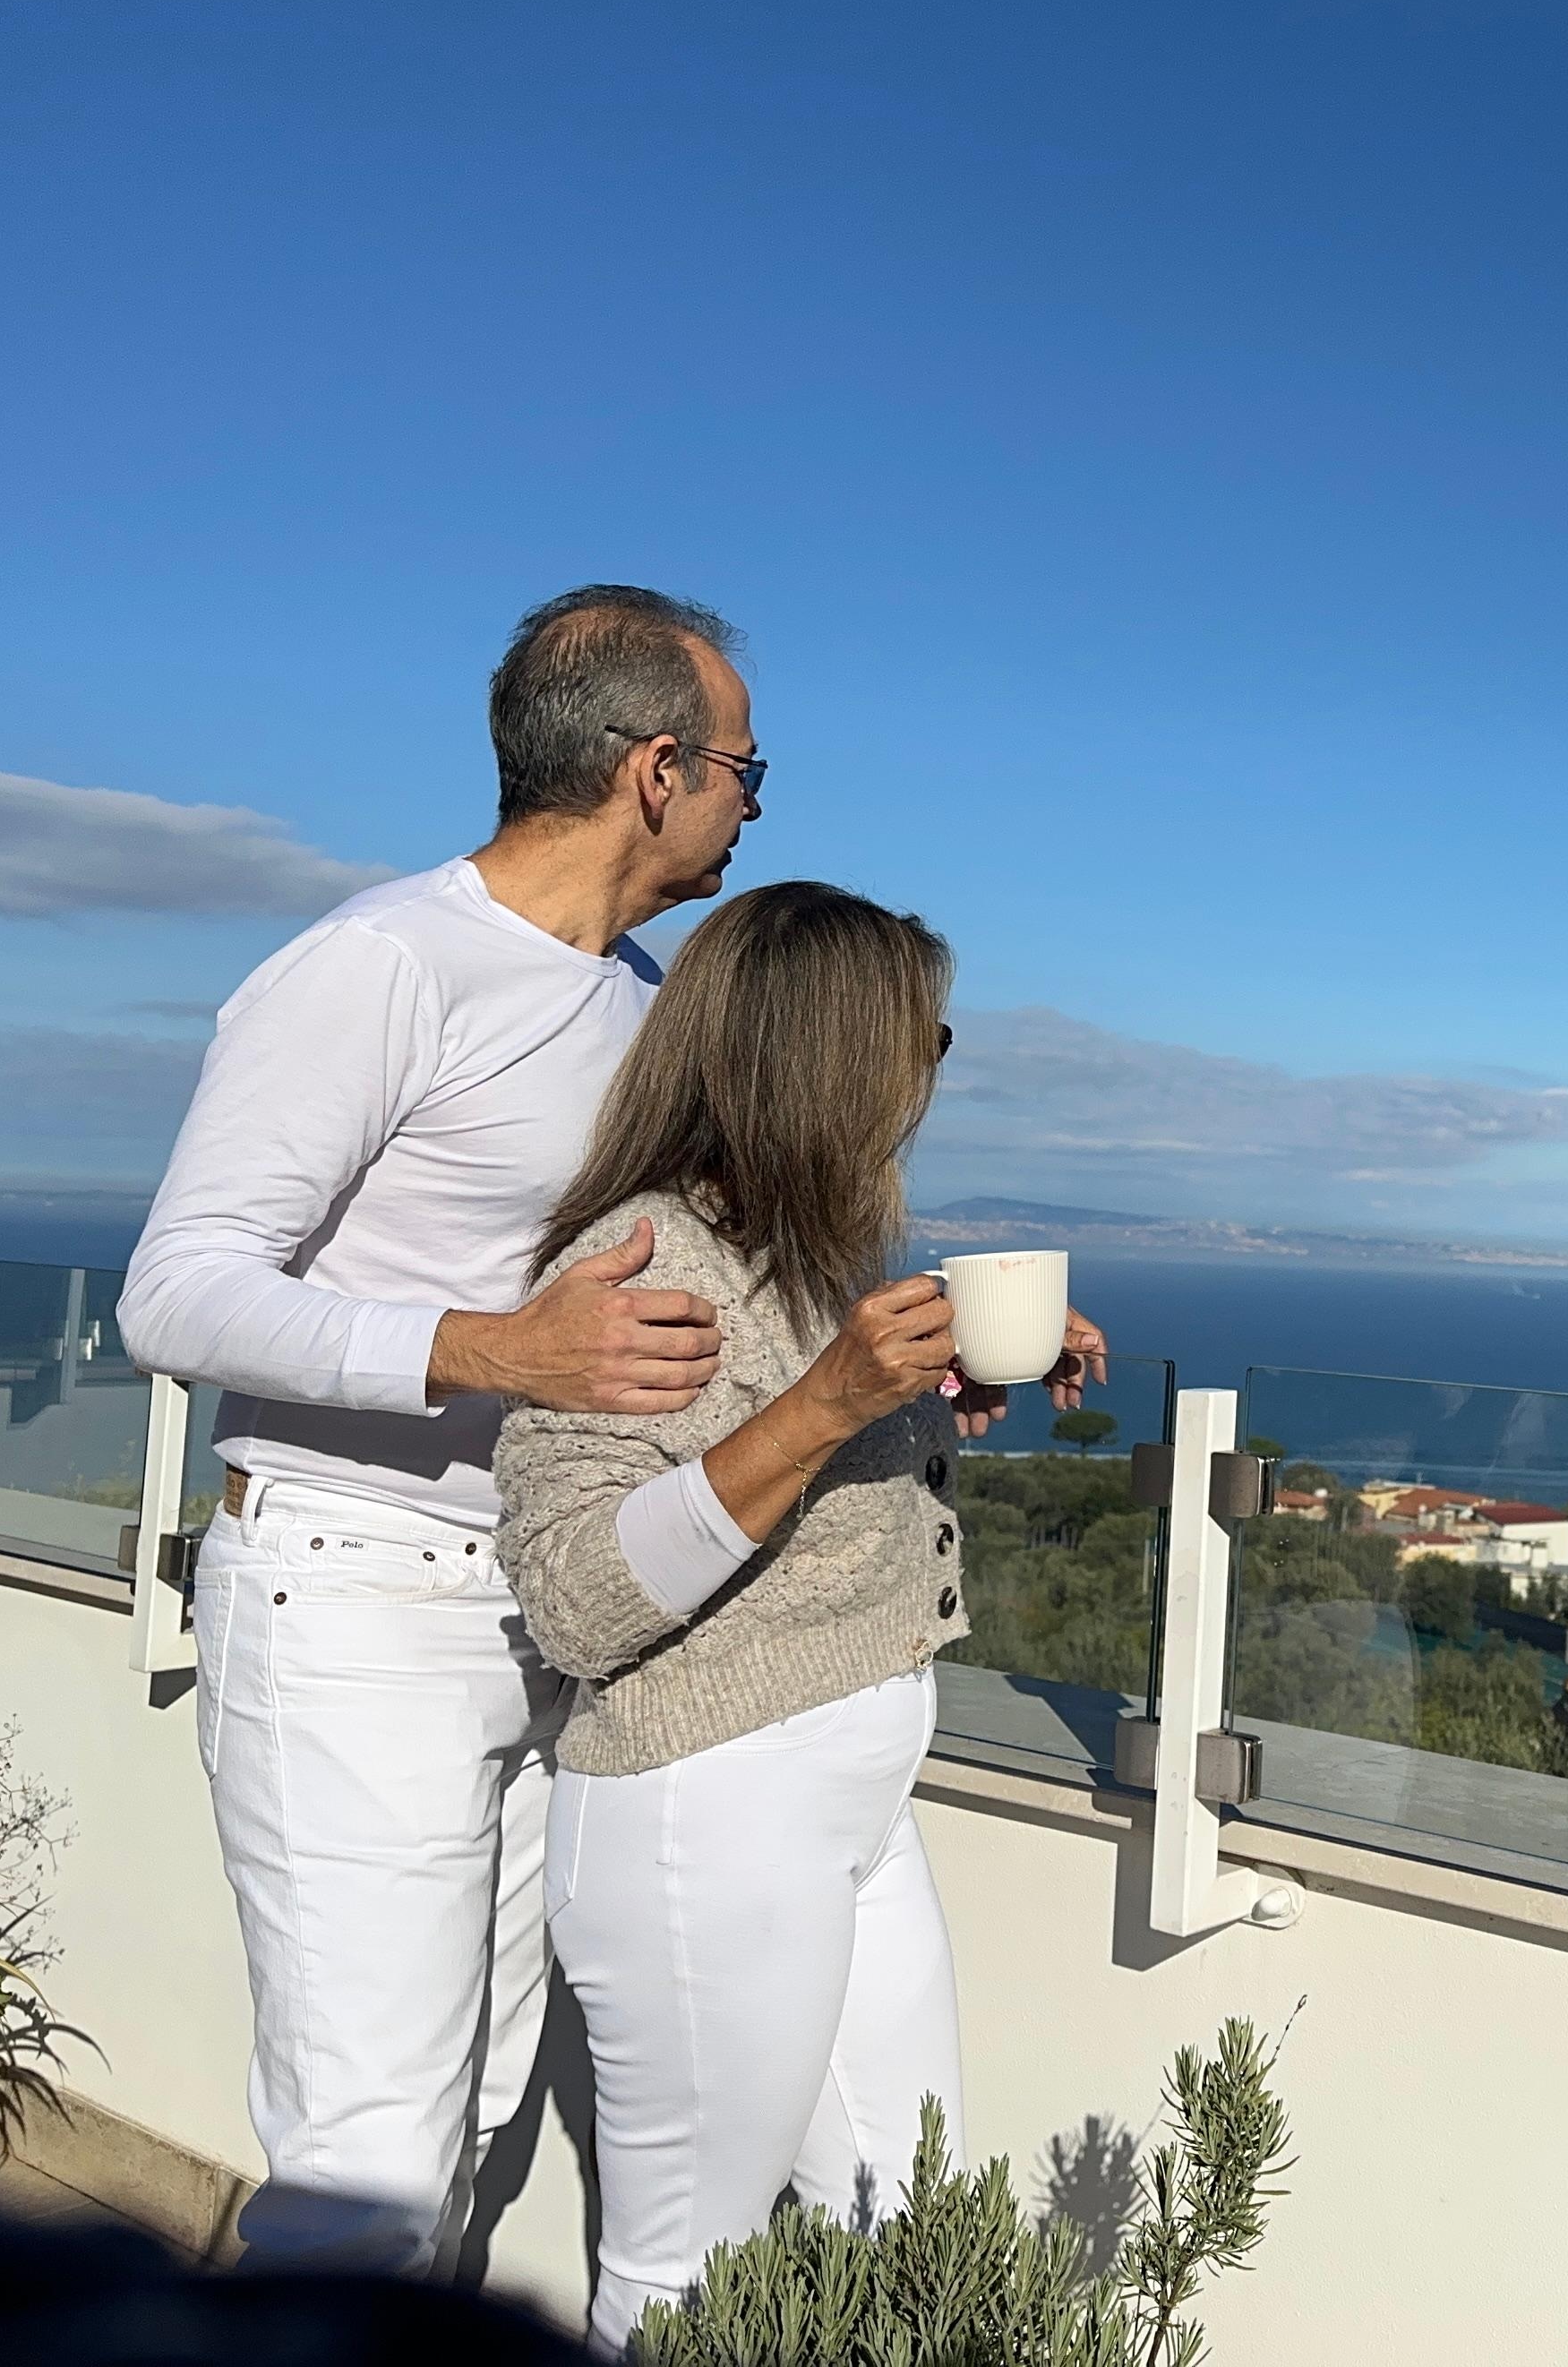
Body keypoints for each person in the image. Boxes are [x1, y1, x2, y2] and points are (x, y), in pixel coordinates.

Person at [119, 585, 762, 2274]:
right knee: (367, 2174)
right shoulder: (378, 966)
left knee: (474, 2122)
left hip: (550, 1614)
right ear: (655, 769)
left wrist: (919, 1354)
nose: (752, 811)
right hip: (350, 1602)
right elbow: (174, 1295)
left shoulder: (643, 999)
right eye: (747, 773)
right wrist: (495, 1350)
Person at [491, 880, 1100, 2356]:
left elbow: (790, 1478)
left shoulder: (802, 1257)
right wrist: (836, 1397)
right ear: (825, 1057)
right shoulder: (643, 1261)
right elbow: (579, 1593)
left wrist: (934, 1392)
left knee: (912, 2234)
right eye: (921, 1039)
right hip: (707, 1812)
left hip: (847, 1804)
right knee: (686, 2283)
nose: (928, 1075)